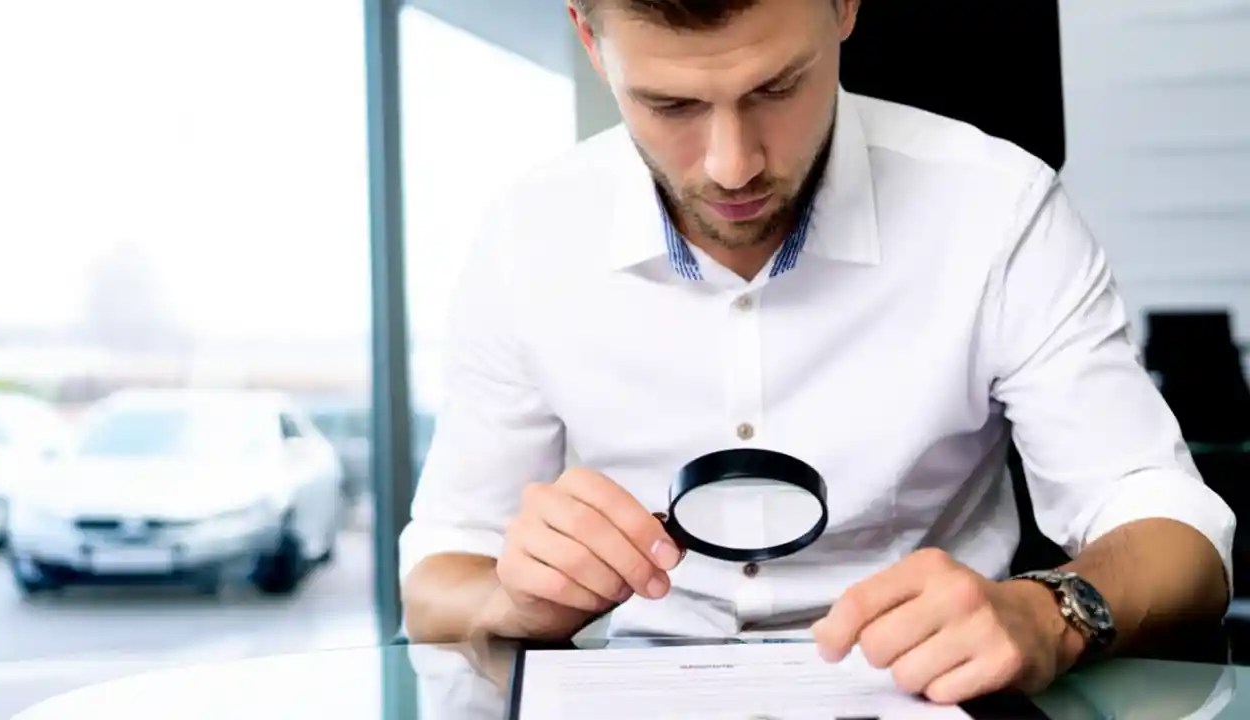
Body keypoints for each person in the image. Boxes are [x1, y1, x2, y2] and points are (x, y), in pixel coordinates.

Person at [399, 0, 1235, 705]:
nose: (733, 166)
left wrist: (1051, 612)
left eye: (777, 86)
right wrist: (512, 596)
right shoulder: (526, 237)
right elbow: (437, 578)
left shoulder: (999, 208)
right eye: (671, 105)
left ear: (844, 7)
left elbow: (1180, 536)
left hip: (931, 694)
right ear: (589, 36)